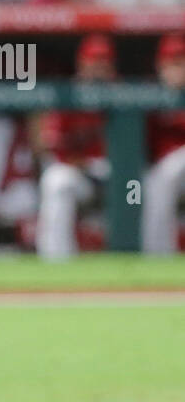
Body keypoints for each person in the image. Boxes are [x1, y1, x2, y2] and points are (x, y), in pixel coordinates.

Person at [35, 34, 116, 259]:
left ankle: (151, 256)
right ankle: (57, 261)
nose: (98, 68)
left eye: (103, 62)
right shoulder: (67, 96)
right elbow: (47, 144)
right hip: (82, 174)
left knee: (147, 185)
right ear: (82, 64)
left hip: (119, 174)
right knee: (56, 181)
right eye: (93, 62)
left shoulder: (124, 92)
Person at [141, 34, 185, 253]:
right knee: (155, 182)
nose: (175, 69)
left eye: (180, 62)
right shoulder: (148, 94)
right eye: (169, 63)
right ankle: (158, 256)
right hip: (161, 172)